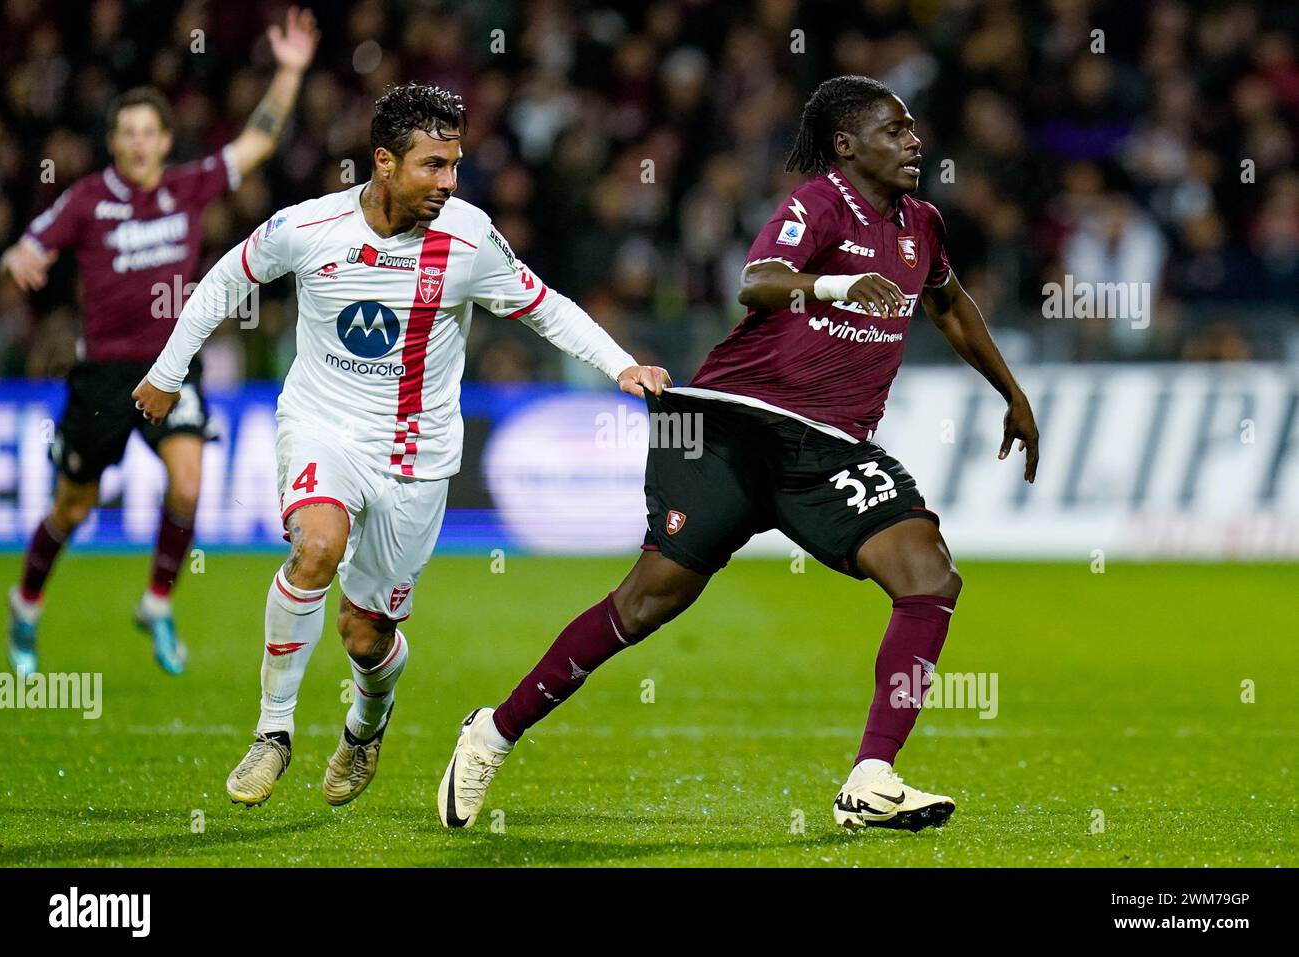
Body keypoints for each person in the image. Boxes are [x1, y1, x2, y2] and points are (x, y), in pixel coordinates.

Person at [437, 75, 1040, 833]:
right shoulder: (818, 204)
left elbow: (949, 307)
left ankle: (872, 776)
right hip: (734, 429)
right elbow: (757, 284)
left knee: (929, 576)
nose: (914, 141)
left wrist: (1012, 393)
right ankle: (493, 731)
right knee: (647, 601)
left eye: (914, 129)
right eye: (895, 130)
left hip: (828, 449)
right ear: (847, 145)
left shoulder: (922, 225)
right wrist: (840, 285)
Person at [133, 82, 668, 808]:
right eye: (433, 167)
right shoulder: (308, 226)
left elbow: (546, 307)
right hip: (324, 424)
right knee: (315, 546)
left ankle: (365, 724)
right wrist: (168, 371)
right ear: (383, 163)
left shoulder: (470, 239)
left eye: (454, 166)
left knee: (364, 633)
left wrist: (620, 365)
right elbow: (227, 278)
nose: (448, 184)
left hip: (418, 457)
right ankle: (274, 731)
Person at [2, 7, 320, 676]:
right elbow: (31, 243)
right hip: (102, 377)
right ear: (115, 142)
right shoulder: (88, 199)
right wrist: (18, 259)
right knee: (74, 504)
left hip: (171, 367)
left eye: (150, 132)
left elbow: (257, 142)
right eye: (128, 132)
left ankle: (156, 601)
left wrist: (289, 71)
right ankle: (27, 602)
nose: (140, 143)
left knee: (188, 481)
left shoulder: (188, 187)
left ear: (166, 140)